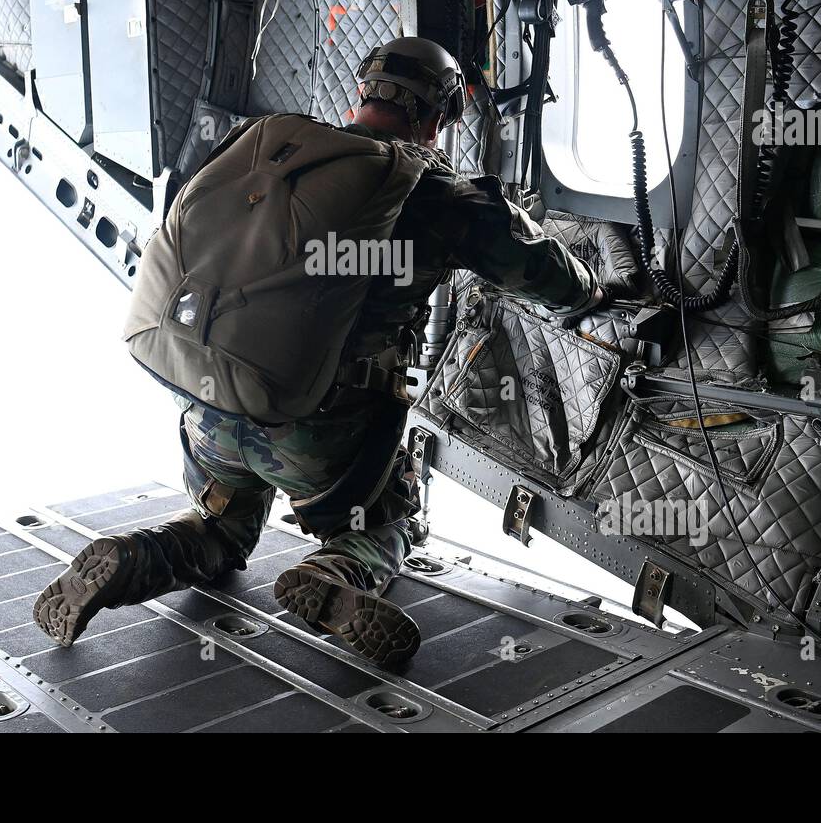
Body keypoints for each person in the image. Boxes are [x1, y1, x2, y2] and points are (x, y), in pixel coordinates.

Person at [34, 37, 602, 666]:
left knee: (221, 532)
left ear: (363, 90)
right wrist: (592, 289)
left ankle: (133, 562)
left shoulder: (266, 145)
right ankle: (334, 573)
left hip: (209, 406)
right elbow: (546, 273)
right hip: (318, 432)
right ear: (440, 112)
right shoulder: (430, 188)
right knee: (383, 522)